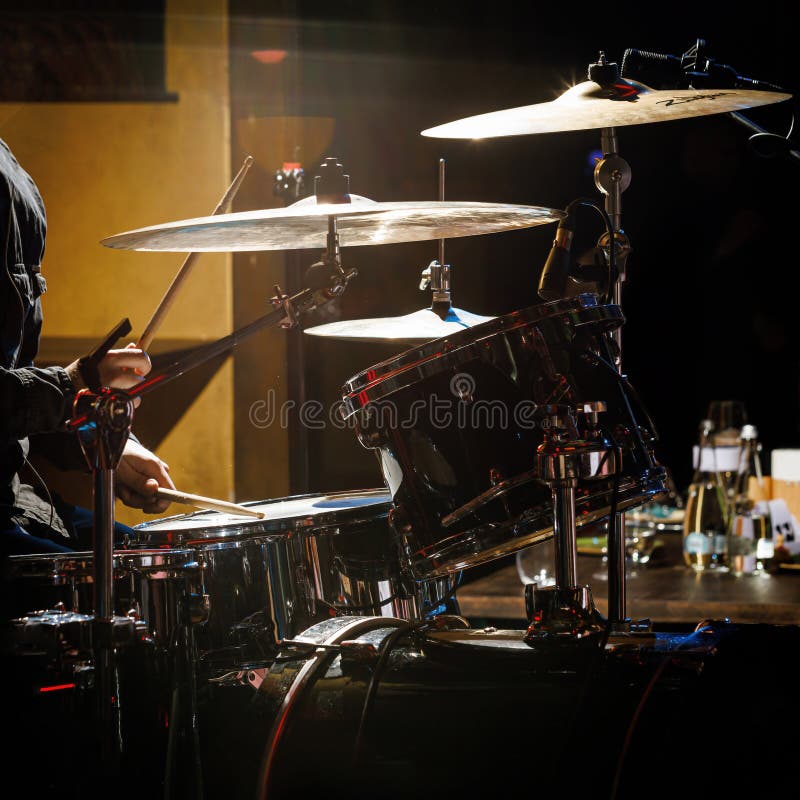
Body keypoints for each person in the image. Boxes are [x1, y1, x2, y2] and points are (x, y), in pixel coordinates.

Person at [1, 134, 175, 557]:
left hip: (16, 499)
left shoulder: (9, 167)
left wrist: (94, 436)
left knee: (158, 558)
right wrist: (71, 386)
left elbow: (15, 387)